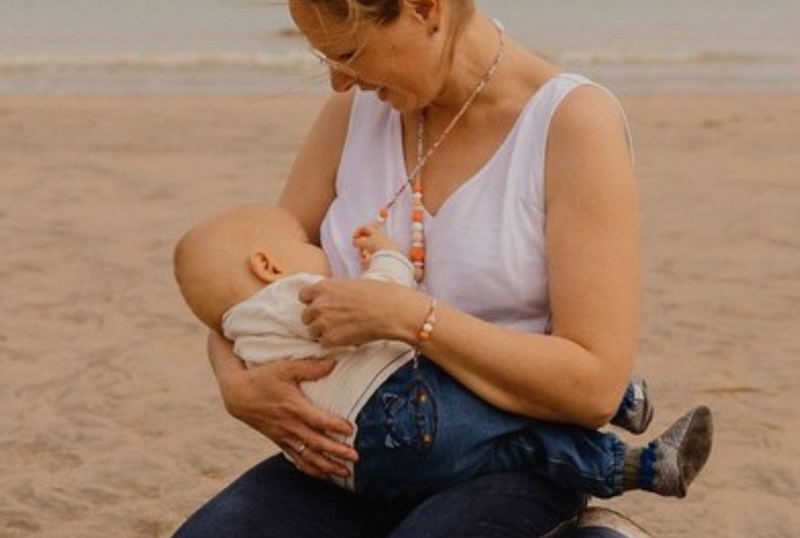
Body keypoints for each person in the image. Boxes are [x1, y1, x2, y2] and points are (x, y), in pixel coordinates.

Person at [128, 0, 746, 538]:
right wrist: (236, 382)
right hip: (358, 452)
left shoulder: (569, 125)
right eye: (322, 59)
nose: (338, 83)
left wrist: (408, 318)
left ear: (422, 7)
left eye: (347, 53)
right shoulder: (357, 118)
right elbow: (255, 276)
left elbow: (591, 380)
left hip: (510, 455)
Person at [173, 201, 712, 503]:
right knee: (503, 406)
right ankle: (623, 404)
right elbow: (387, 302)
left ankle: (642, 468)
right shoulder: (298, 297)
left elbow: (220, 330)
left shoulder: (245, 332)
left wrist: (234, 378)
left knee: (524, 448)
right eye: (308, 242)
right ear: (269, 266)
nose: (320, 249)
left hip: (358, 474)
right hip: (398, 413)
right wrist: (386, 258)